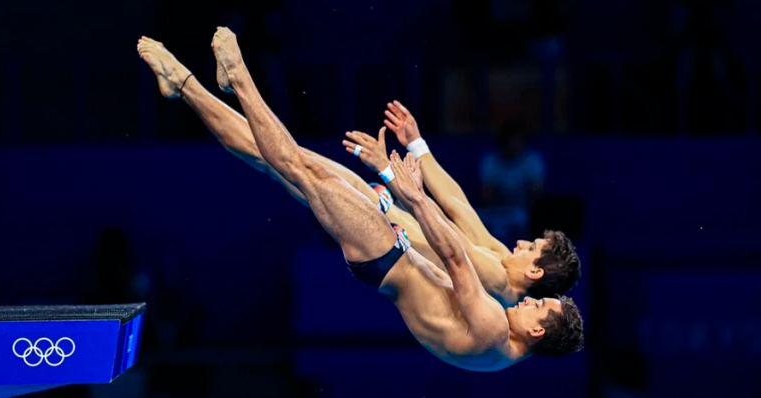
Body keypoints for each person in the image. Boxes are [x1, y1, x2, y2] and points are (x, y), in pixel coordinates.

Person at [137, 27, 584, 369]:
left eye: (538, 305)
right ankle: (184, 84)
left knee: (295, 164)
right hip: (391, 236)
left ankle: (239, 77)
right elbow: (461, 214)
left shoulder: (493, 326)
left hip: (386, 252)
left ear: (539, 328)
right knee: (277, 161)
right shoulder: (500, 306)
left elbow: (452, 253)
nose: (528, 302)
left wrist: (399, 185)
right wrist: (417, 156)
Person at [344, 101, 580, 302]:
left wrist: (386, 169)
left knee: (328, 178)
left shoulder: (498, 284)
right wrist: (416, 144)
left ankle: (383, 203)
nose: (520, 242)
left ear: (535, 271)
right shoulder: (503, 260)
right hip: (408, 236)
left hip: (397, 257)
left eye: (530, 248)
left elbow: (444, 233)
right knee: (329, 178)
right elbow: (460, 207)